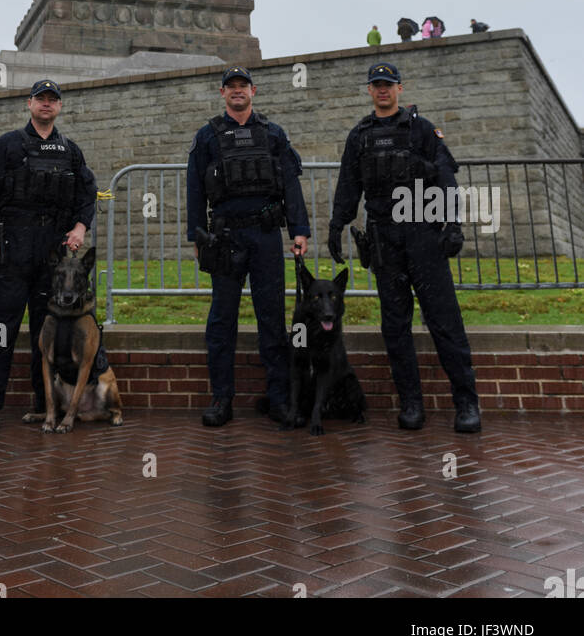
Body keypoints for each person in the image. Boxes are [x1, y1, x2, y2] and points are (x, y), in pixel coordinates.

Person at [327, 62, 481, 433]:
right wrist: (337, 223)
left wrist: (452, 224)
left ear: (400, 88)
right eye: (377, 85)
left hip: (423, 236)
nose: (383, 90)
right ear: (369, 90)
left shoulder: (422, 130)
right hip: (384, 240)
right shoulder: (360, 135)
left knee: (445, 322)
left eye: (389, 85)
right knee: (395, 327)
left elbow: (444, 177)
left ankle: (466, 403)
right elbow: (349, 183)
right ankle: (411, 403)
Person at [187, 67, 310, 428]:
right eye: (231, 87)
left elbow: (290, 183)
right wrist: (197, 236)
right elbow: (194, 188)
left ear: (253, 91)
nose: (237, 92)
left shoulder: (273, 134)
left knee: (271, 319)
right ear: (221, 93)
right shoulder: (207, 136)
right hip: (225, 239)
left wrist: (299, 230)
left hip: (266, 236)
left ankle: (278, 399)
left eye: (243, 87)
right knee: (222, 320)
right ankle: (221, 399)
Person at [0, 80, 98, 430]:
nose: (46, 104)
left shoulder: (70, 151)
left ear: (59, 106)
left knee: (47, 332)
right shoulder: (8, 145)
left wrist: (79, 228)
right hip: (13, 247)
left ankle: (45, 403)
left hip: (53, 257)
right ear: (29, 104)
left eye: (52, 100)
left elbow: (88, 194)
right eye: (40, 99)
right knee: (2, 326)